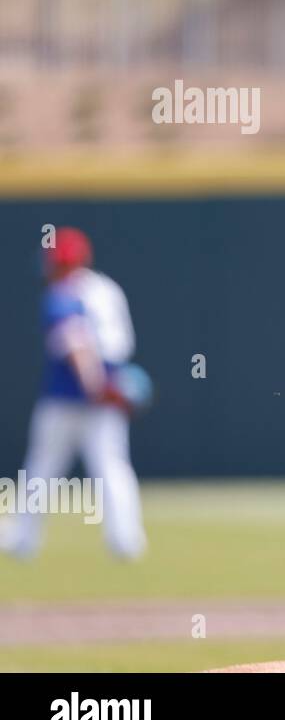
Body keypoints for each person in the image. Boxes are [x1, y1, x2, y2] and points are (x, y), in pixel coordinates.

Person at [1, 227, 147, 561]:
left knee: (42, 467)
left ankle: (24, 540)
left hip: (71, 394)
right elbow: (121, 348)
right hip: (107, 392)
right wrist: (115, 388)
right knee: (112, 467)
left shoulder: (63, 293)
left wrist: (93, 386)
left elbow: (77, 344)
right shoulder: (107, 289)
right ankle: (126, 540)